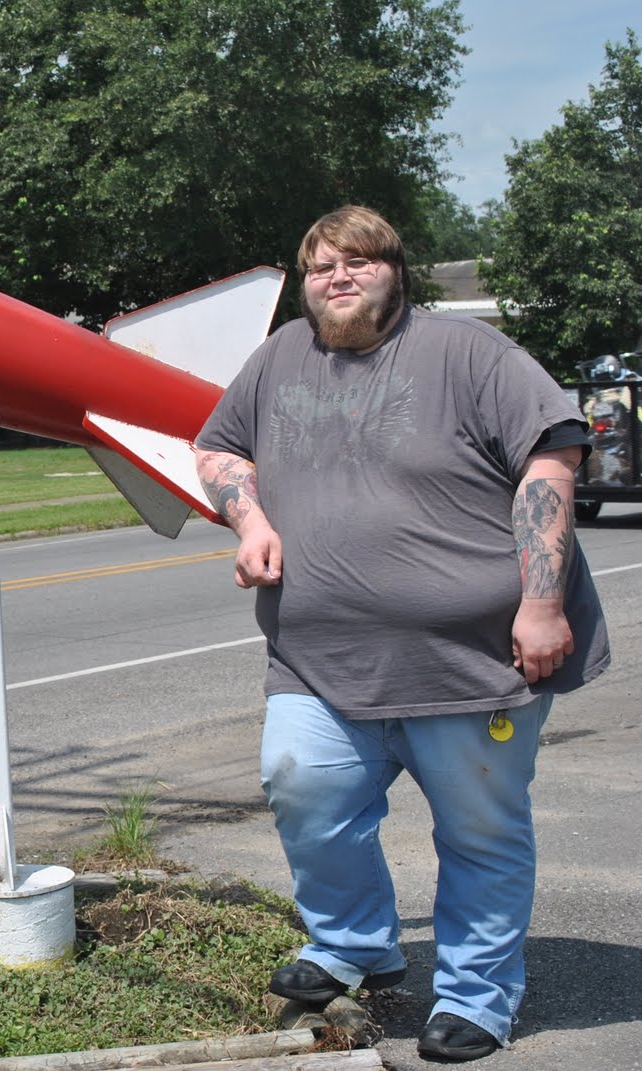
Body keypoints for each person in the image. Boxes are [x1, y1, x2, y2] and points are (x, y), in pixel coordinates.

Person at [193, 205, 610, 1062]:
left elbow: (551, 458)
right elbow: (217, 449)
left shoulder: (468, 353)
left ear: (397, 272)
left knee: (479, 831)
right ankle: (355, 942)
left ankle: (477, 995)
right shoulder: (279, 359)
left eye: (358, 262)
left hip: (473, 659)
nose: (337, 278)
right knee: (304, 788)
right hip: (320, 656)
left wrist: (541, 603)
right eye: (319, 268)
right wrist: (251, 518)